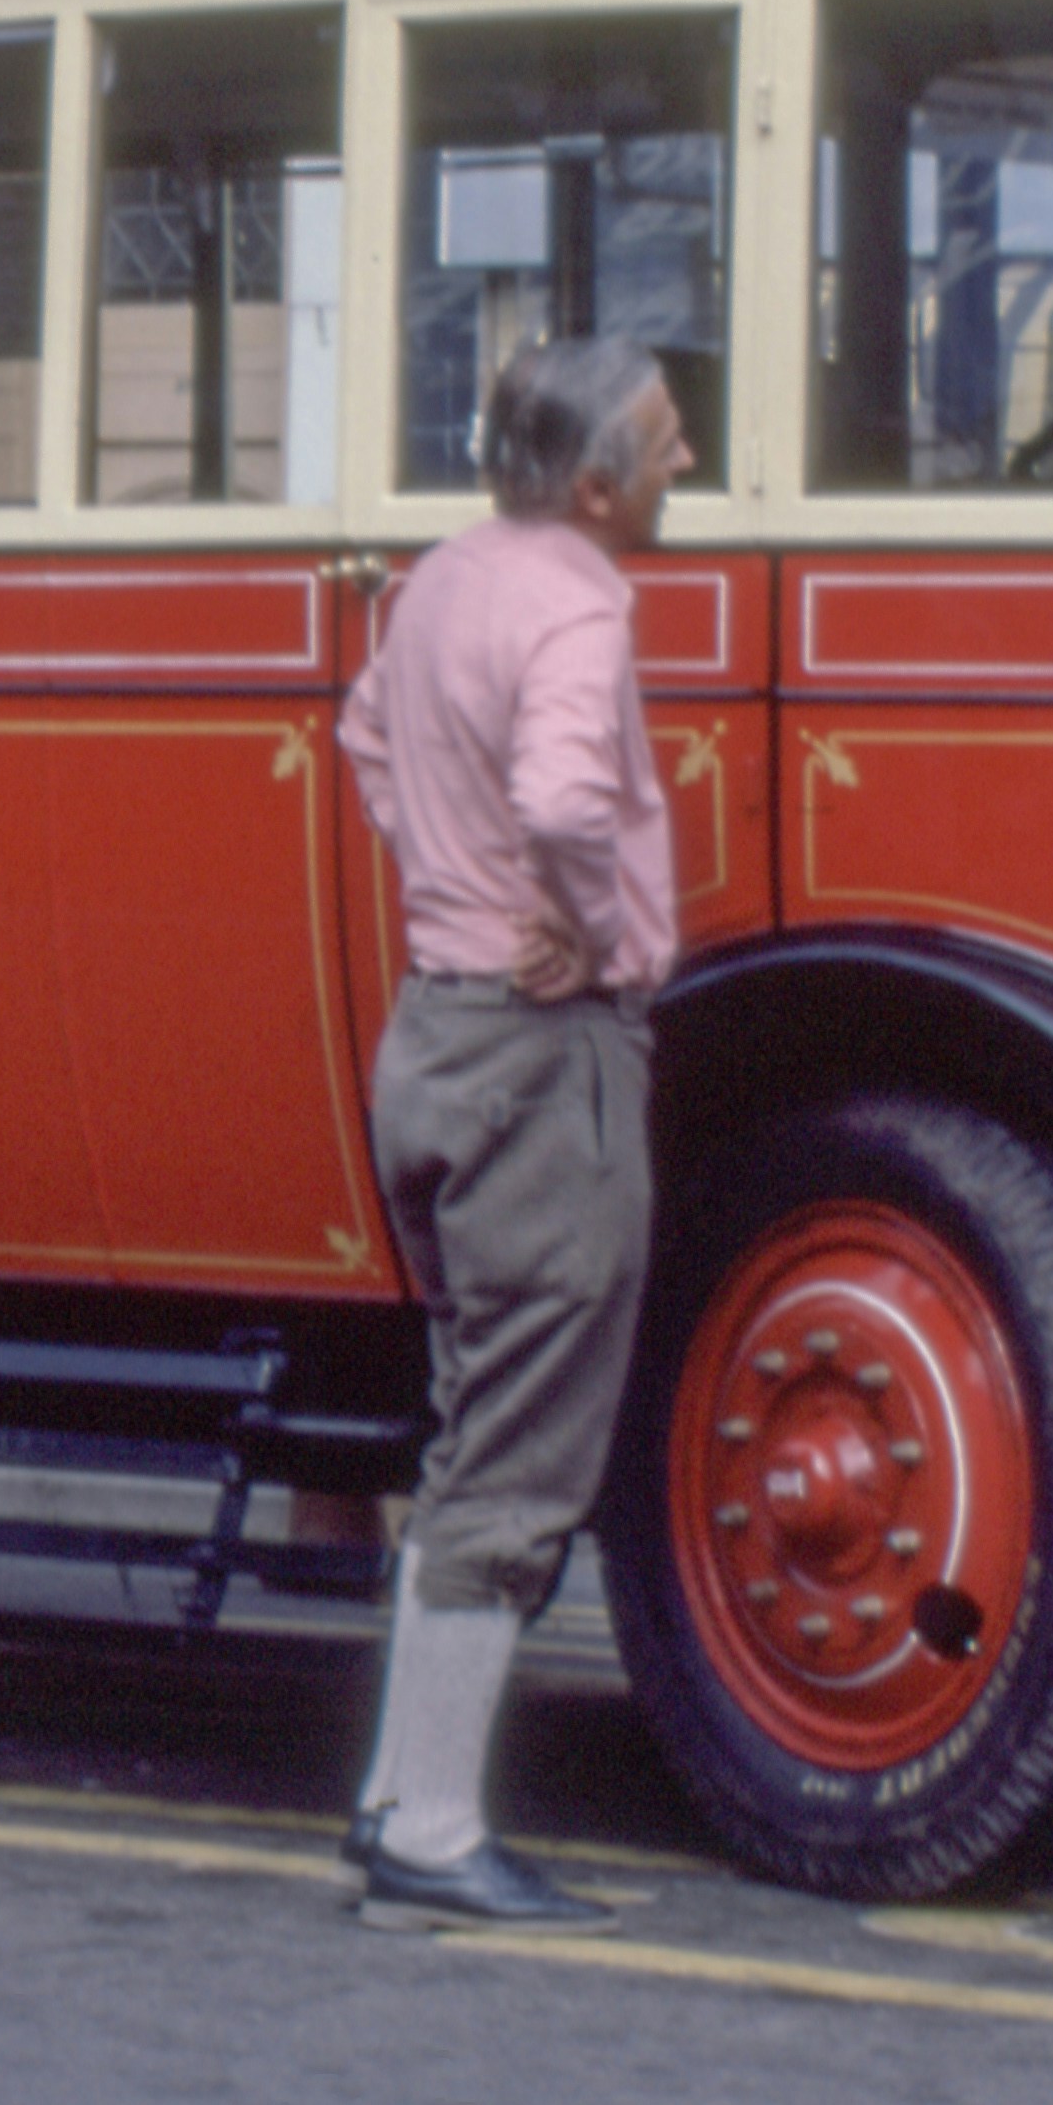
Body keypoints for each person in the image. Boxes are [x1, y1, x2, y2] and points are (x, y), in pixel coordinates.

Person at [326, 331, 692, 1934]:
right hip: (541, 1059)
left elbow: (360, 741)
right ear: (599, 485)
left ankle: (400, 1799)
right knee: (518, 1463)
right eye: (668, 442)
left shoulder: (441, 580)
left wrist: (456, 882)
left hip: (434, 1038)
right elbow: (561, 797)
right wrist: (594, 930)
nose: (688, 463)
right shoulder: (576, 602)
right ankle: (432, 1831)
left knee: (472, 1429)